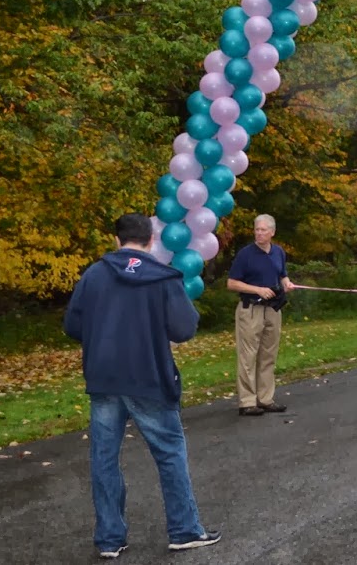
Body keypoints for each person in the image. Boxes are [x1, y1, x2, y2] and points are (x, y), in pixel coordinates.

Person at [63, 214, 219, 556]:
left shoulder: (93, 275)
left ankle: (109, 539)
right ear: (151, 241)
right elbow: (184, 328)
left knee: (104, 457)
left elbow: (73, 325)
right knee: (169, 452)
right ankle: (184, 529)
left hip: (103, 377)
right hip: (148, 376)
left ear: (116, 241)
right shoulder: (163, 277)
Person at [225, 213, 295, 416]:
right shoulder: (245, 254)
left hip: (273, 309)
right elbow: (231, 283)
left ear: (272, 232)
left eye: (264, 230)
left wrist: (287, 283)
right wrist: (257, 289)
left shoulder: (278, 252)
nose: (259, 233)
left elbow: (282, 274)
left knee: (268, 355)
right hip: (251, 309)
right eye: (257, 229)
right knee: (248, 355)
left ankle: (265, 399)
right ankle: (247, 402)